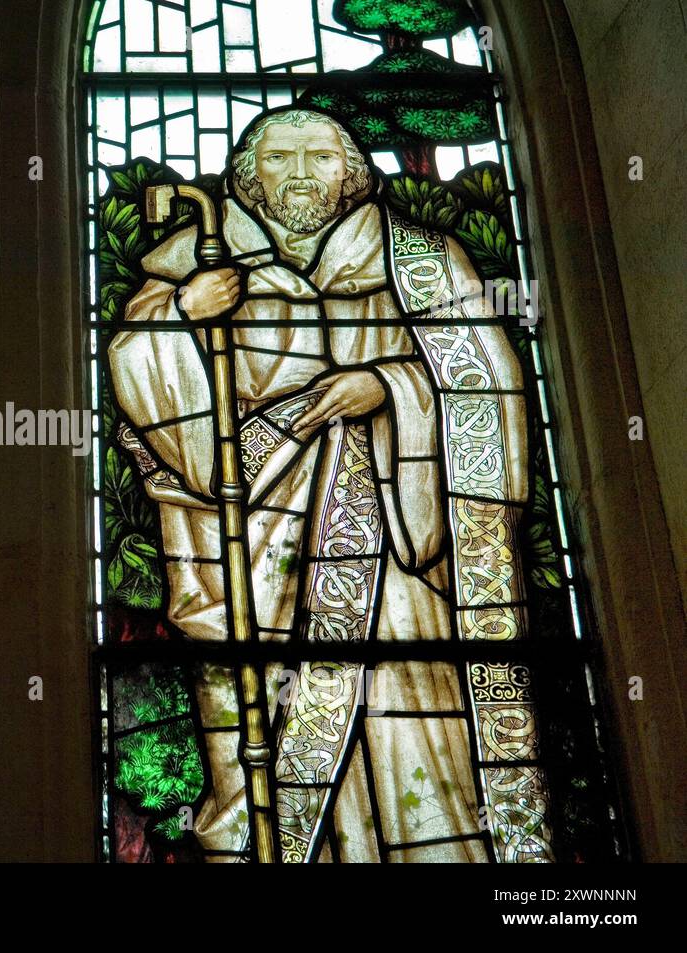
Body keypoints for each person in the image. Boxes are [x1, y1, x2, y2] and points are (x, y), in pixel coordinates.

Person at [108, 108, 550, 862]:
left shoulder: (423, 263)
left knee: (409, 726)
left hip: (398, 558)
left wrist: (386, 390)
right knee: (250, 736)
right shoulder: (186, 264)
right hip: (248, 556)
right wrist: (184, 313)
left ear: (352, 170)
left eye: (320, 155)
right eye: (279, 158)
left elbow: (488, 388)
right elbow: (144, 388)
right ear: (248, 177)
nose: (302, 173)